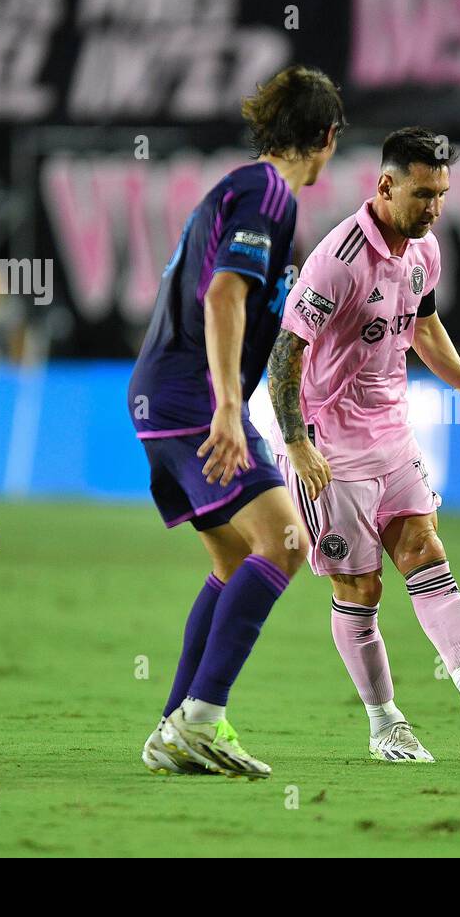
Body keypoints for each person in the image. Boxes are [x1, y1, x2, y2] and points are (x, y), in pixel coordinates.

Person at [265, 127, 460, 763]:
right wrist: (298, 443)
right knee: (360, 590)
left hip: (392, 432)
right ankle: (385, 725)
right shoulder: (338, 259)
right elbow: (286, 353)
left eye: (442, 193)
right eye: (423, 194)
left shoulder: (424, 251)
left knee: (424, 548)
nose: (435, 207)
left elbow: (424, 327)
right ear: (385, 186)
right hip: (329, 443)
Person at [127, 66, 345, 777]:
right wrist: (227, 407)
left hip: (162, 396)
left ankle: (173, 728)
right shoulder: (268, 193)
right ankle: (203, 718)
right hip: (194, 398)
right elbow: (225, 296)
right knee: (285, 539)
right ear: (327, 138)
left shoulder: (240, 187)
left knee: (232, 561)